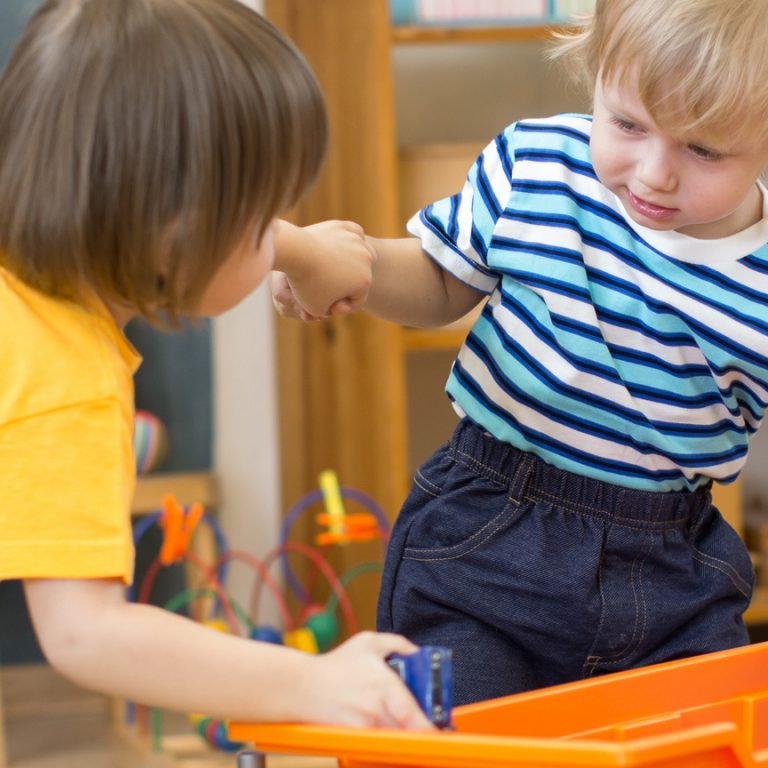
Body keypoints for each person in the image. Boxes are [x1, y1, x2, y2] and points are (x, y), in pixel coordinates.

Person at [272, 0, 768, 705]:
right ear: (595, 75)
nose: (654, 173)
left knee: (699, 741)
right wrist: (356, 267)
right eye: (628, 124)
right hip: (491, 539)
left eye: (704, 150)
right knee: (461, 738)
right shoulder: (539, 165)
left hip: (675, 577)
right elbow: (442, 278)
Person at [0, 0, 433, 730]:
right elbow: (84, 632)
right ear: (176, 237)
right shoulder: (64, 380)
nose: (274, 233)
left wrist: (301, 250)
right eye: (262, 219)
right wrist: (310, 683)